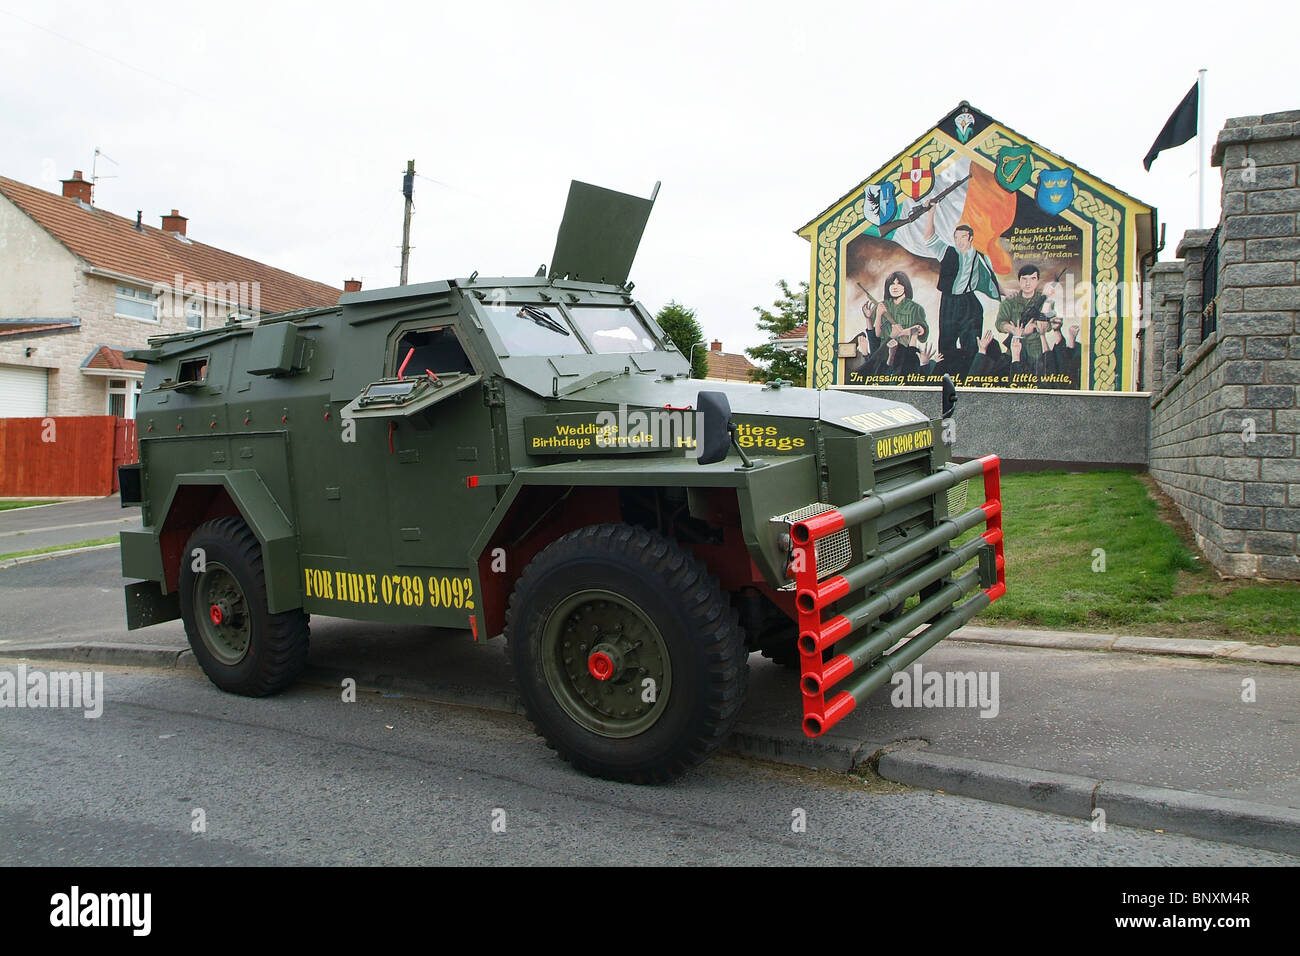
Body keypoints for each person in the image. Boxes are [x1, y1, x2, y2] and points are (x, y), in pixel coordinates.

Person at [922, 205, 1001, 358]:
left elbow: (989, 278)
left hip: (969, 301)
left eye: (963, 237)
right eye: (956, 237)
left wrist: (1003, 292)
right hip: (949, 302)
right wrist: (931, 213)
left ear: (971, 238)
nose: (959, 240)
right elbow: (928, 238)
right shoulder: (948, 252)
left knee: (972, 343)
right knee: (946, 343)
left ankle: (972, 368)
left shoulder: (980, 257)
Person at [861, 271, 928, 348]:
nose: (895, 287)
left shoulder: (915, 308)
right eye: (892, 284)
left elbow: (922, 331)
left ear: (905, 286)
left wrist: (901, 333)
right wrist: (873, 317)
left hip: (905, 352)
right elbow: (876, 335)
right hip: (884, 351)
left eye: (899, 283)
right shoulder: (880, 306)